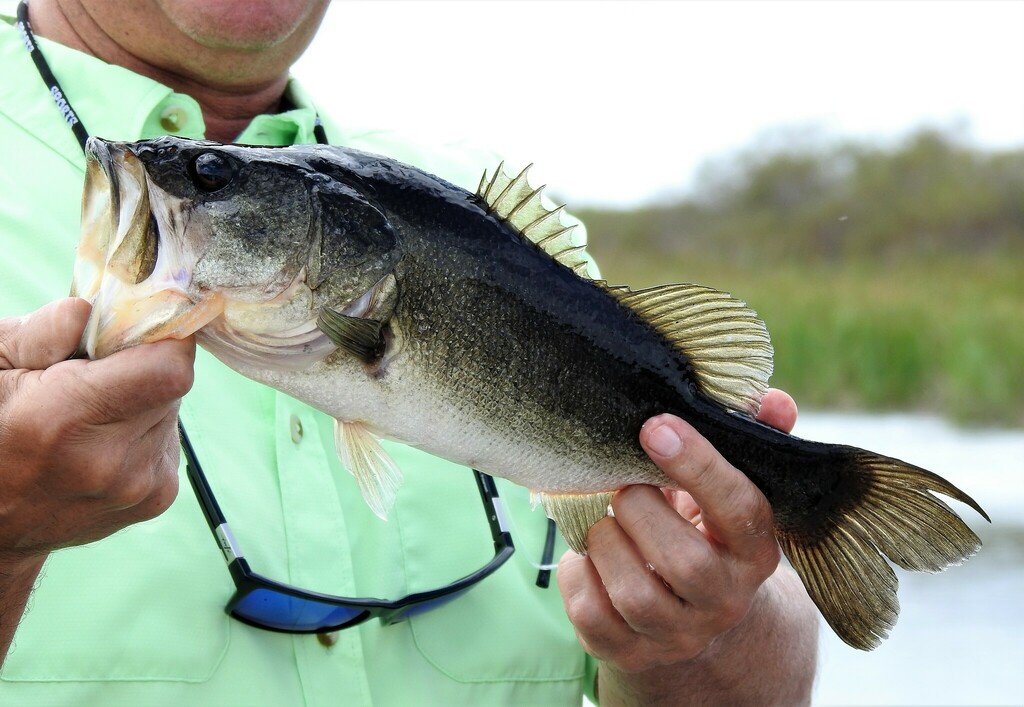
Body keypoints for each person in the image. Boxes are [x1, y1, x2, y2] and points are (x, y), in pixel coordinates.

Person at [0, 1, 819, 704]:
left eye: (214, 180)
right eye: (211, 181)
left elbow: (762, 683)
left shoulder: (477, 199)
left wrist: (705, 628)